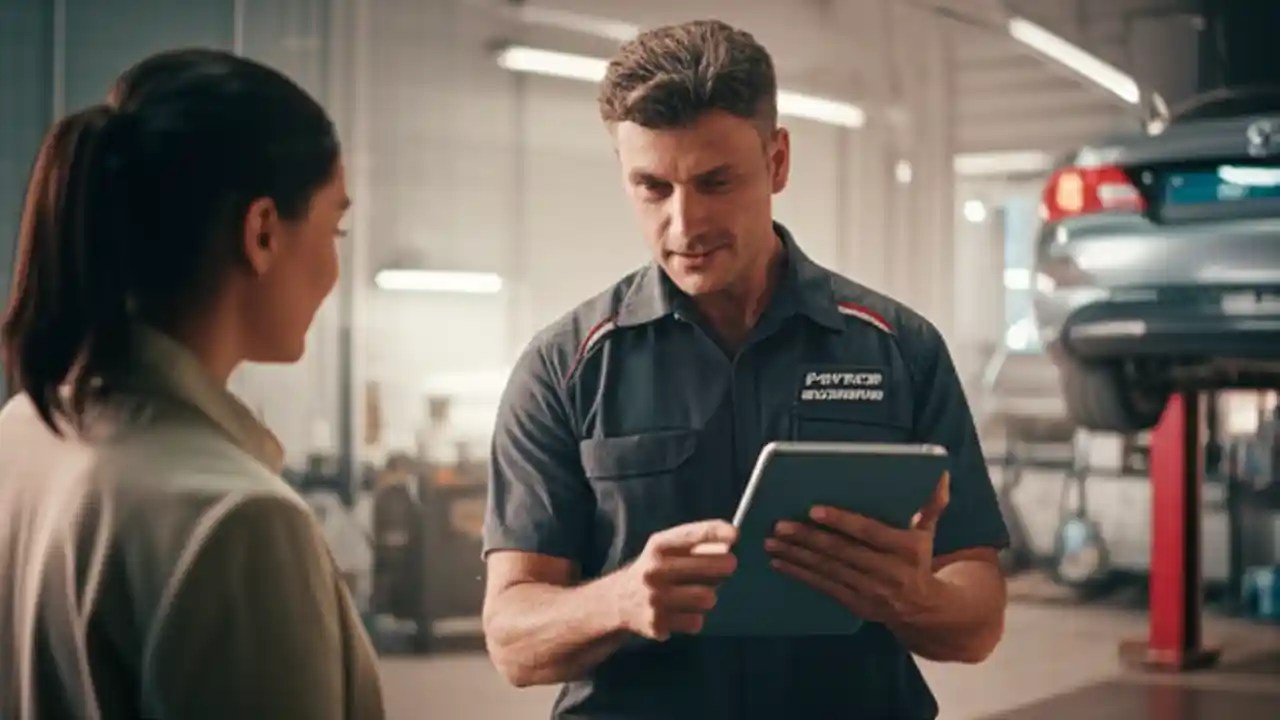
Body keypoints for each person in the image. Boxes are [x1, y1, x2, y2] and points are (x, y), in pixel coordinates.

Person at [482, 20, 1008, 719]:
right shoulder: (565, 367)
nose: (684, 224)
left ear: (778, 160)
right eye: (652, 187)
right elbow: (512, 640)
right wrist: (622, 598)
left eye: (716, 181)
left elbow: (979, 620)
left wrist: (917, 598)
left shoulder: (898, 350)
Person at [0, 49, 383, 719]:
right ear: (262, 231)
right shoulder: (237, 519)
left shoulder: (21, 433)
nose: (334, 266)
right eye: (335, 226)